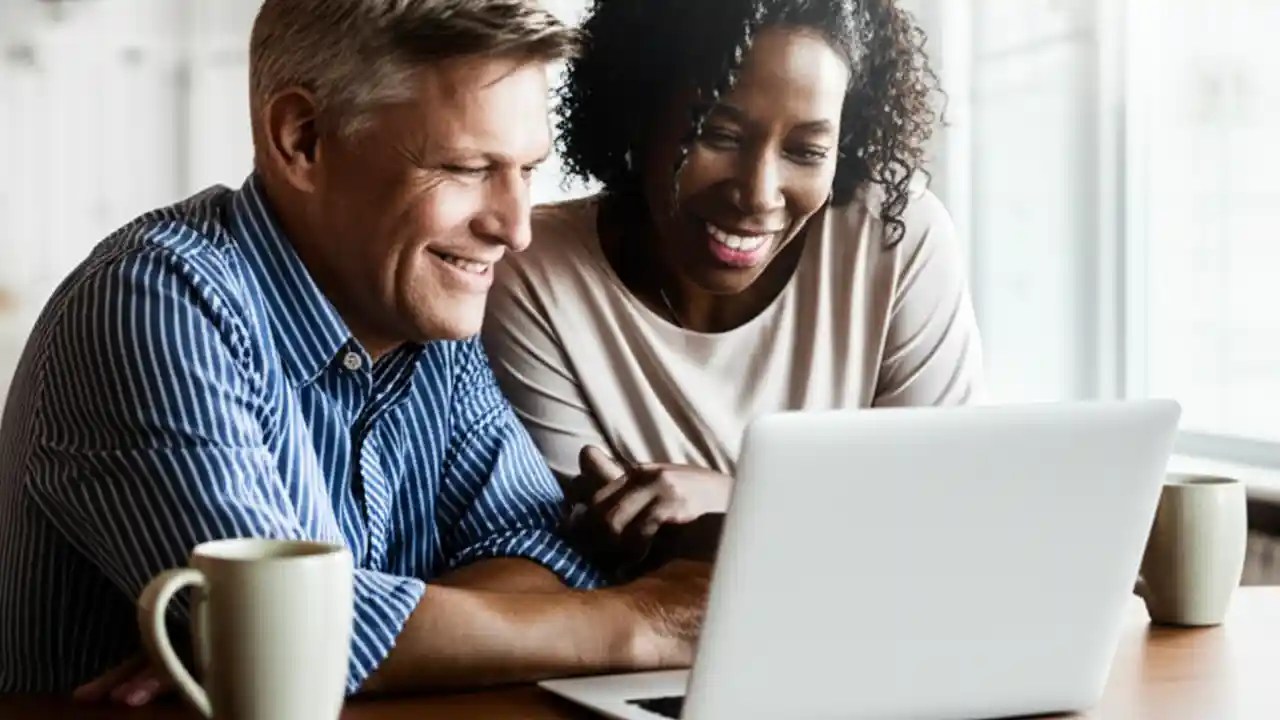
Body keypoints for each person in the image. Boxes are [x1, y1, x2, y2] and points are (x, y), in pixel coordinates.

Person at [0, 0, 708, 703]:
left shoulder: (421, 311)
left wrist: (368, 641)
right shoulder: (152, 304)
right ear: (302, 138)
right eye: (466, 168)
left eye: (526, 170)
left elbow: (538, 551)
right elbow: (287, 638)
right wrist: (640, 624)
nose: (515, 228)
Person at [482, 0, 985, 553]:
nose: (758, 194)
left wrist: (737, 499)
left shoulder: (894, 239)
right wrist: (839, 514)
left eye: (807, 151)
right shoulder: (532, 271)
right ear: (640, 115)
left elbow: (938, 516)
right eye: (718, 135)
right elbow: (594, 550)